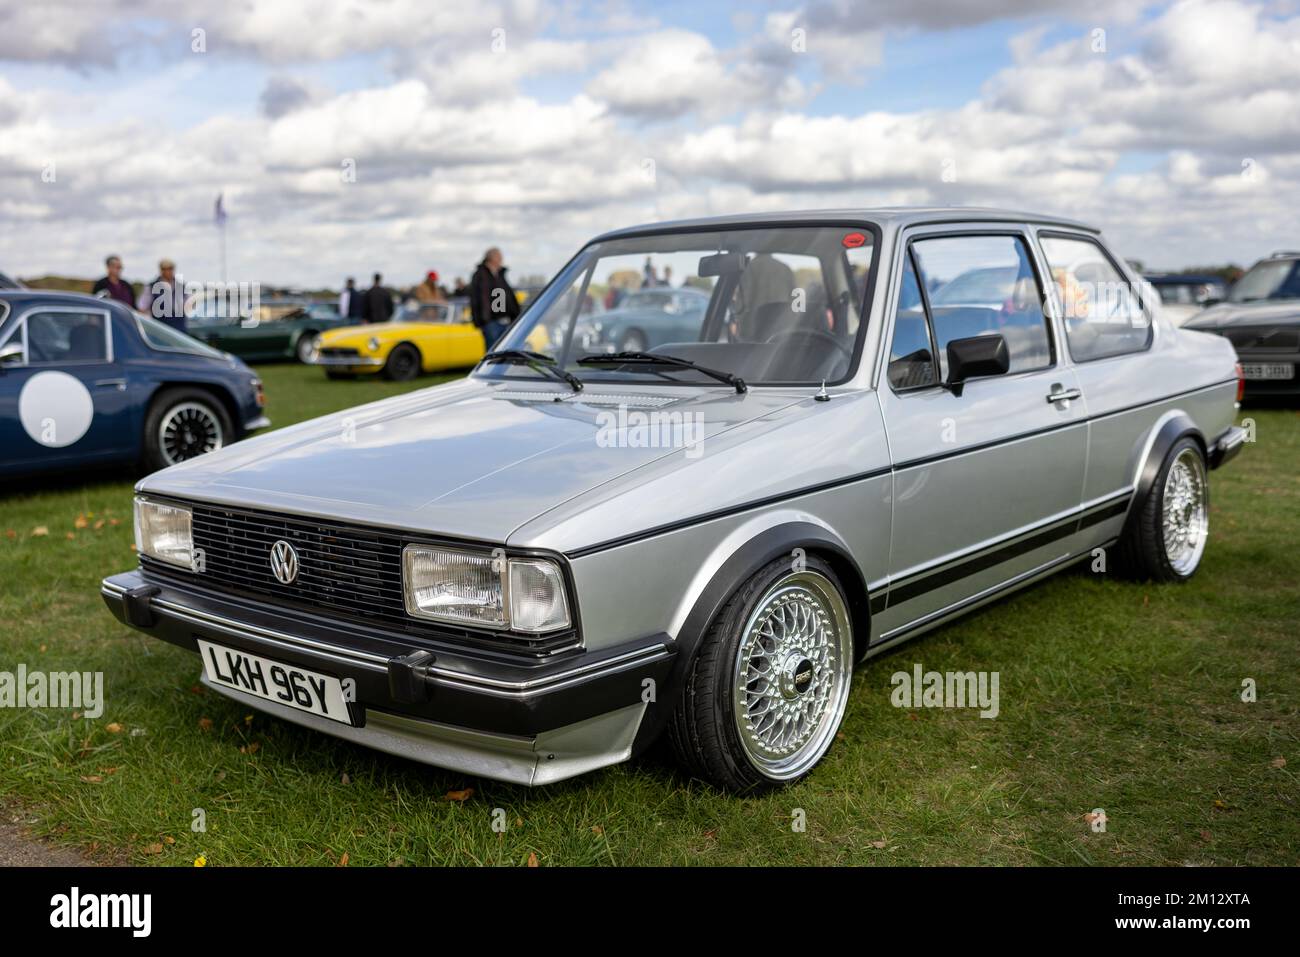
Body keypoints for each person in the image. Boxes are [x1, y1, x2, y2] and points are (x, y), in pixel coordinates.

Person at [469, 247, 520, 348]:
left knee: (507, 351)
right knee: (494, 352)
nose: (501, 260)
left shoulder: (500, 275)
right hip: (491, 323)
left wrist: (515, 314)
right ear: (492, 258)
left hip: (505, 321)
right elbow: (477, 299)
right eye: (499, 257)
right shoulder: (480, 275)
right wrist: (484, 321)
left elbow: (508, 295)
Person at [141, 258, 186, 333]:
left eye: (170, 268)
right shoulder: (151, 287)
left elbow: (188, 306)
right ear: (161, 270)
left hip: (180, 331)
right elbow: (142, 308)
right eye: (164, 269)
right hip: (160, 332)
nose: (168, 271)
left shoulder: (181, 287)